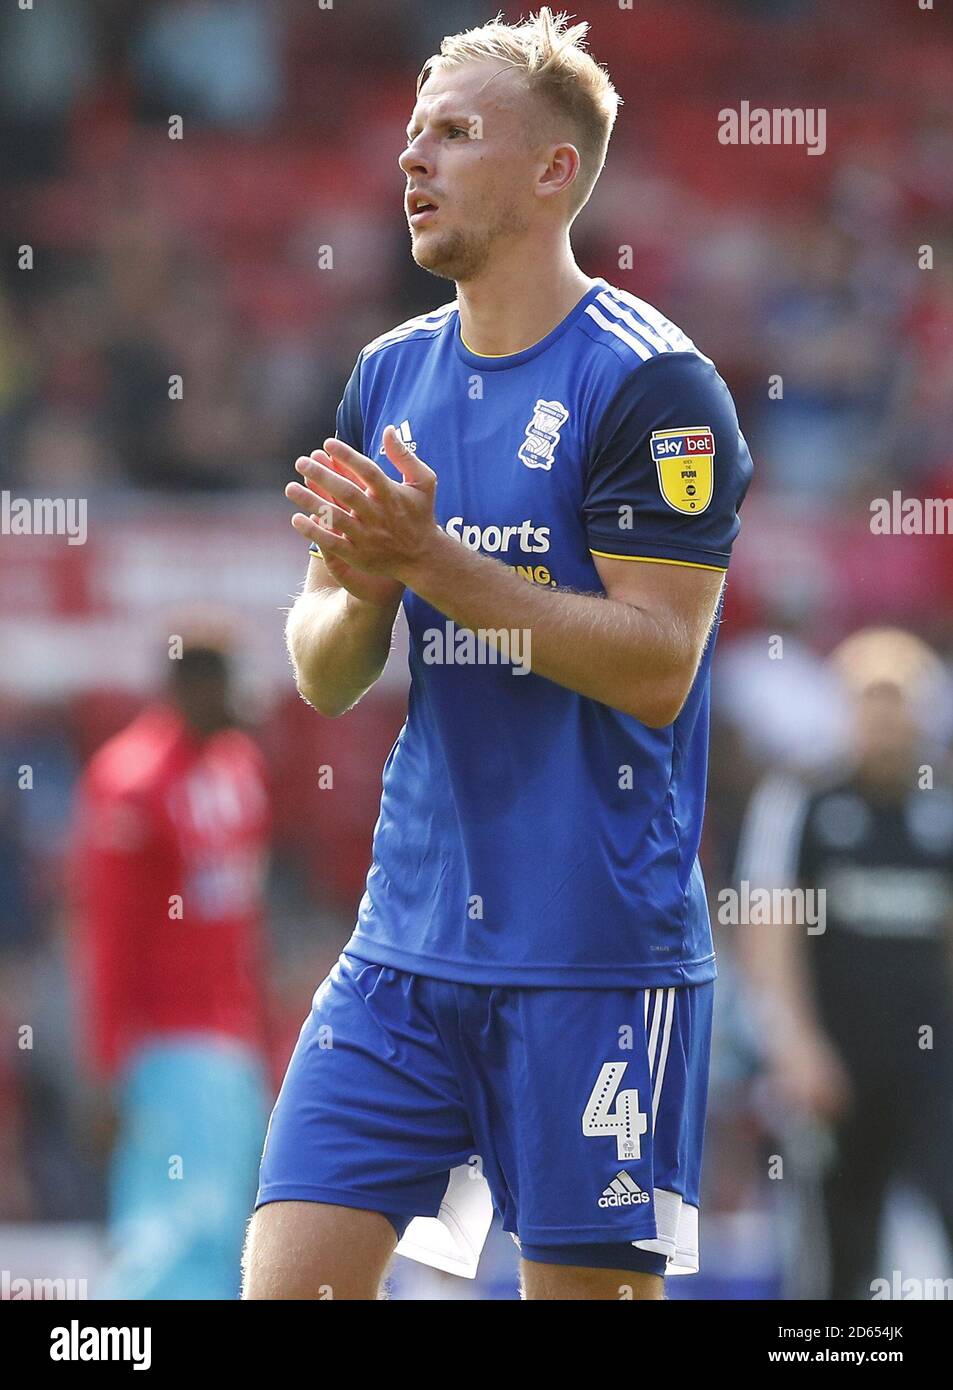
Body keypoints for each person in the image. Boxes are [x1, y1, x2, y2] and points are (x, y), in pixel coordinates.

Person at [244, 8, 752, 1301]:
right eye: (413, 135)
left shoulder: (655, 384)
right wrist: (361, 587)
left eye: (454, 133)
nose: (411, 161)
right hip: (403, 949)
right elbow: (323, 662)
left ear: (552, 172)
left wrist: (432, 563)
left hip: (595, 958)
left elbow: (656, 664)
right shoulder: (387, 374)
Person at [734, 627, 953, 1299]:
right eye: (868, 700)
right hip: (834, 1062)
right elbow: (768, 926)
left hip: (929, 1066)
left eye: (897, 700)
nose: (884, 719)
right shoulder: (804, 801)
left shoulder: (938, 804)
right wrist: (795, 1045)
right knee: (834, 1252)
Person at [71, 631, 272, 1299]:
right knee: (167, 1237)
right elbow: (108, 936)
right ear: (192, 687)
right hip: (166, 1046)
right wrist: (105, 1066)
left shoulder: (239, 766)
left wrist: (263, 1043)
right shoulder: (130, 780)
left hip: (231, 1046)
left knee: (223, 1237)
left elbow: (245, 930)